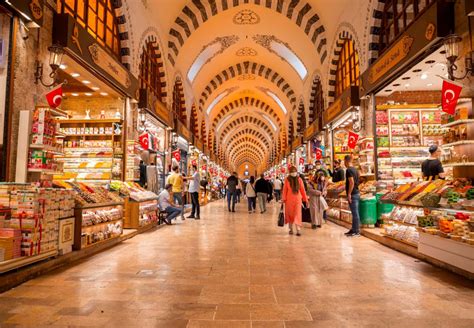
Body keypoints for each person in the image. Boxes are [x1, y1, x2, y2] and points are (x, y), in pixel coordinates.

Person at [282, 166, 308, 236]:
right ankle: (290, 229)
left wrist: (305, 199)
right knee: (290, 215)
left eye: (295, 172)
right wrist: (283, 199)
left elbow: (302, 190)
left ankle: (298, 230)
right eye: (292, 172)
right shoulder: (287, 180)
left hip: (297, 200)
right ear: (290, 173)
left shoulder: (299, 180)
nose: (294, 173)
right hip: (289, 200)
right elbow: (285, 190)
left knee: (297, 214)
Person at [344, 155, 361, 237]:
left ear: (346, 161)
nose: (344, 163)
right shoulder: (355, 170)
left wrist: (349, 194)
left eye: (344, 161)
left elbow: (351, 182)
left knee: (355, 213)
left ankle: (356, 231)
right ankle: (353, 229)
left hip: (353, 194)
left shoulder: (349, 170)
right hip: (357, 192)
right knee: (355, 213)